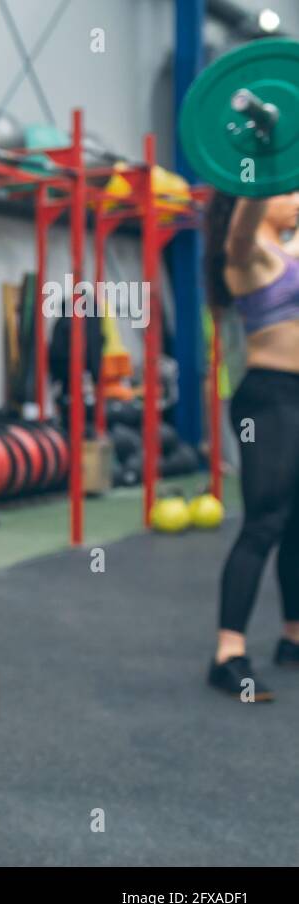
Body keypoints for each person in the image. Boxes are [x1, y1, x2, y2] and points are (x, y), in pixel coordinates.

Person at [203, 188, 299, 701]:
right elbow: (243, 227)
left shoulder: (290, 249)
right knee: (264, 520)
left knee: (298, 522)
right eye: (289, 188)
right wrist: (259, 168)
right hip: (270, 400)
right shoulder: (246, 255)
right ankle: (227, 654)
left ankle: (293, 636)